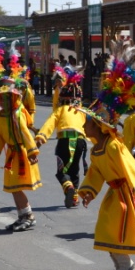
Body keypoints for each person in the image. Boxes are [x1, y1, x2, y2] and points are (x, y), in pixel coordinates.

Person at [76, 40, 135, 270]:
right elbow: (95, 173)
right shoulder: (98, 148)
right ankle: (125, 268)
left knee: (113, 232)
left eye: (88, 122)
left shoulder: (113, 145)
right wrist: (87, 191)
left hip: (125, 194)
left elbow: (129, 167)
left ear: (100, 125)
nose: (84, 126)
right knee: (106, 230)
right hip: (115, 194)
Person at [0, 47, 42, 232]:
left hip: (21, 154)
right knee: (12, 187)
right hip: (11, 153)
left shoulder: (17, 115)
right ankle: (22, 216)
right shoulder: (2, 116)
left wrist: (33, 152)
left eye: (6, 98)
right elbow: (0, 136)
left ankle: (28, 216)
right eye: (0, 98)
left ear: (13, 98)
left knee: (17, 187)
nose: (2, 101)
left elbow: (26, 134)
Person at [35, 65, 89, 208]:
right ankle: (74, 198)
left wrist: (39, 140)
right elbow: (94, 126)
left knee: (61, 172)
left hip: (65, 140)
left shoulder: (60, 110)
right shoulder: (82, 111)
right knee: (74, 170)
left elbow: (49, 125)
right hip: (80, 142)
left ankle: (68, 188)